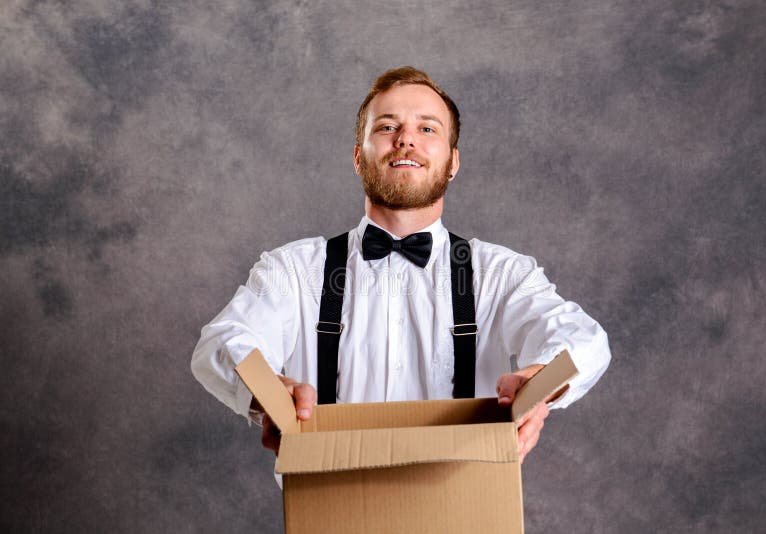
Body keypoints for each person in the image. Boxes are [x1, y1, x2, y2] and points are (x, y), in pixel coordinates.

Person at [191, 66, 611, 464]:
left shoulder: (502, 274)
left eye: (427, 129)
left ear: (453, 162)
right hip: (328, 504)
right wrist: (266, 393)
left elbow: (583, 340)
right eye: (387, 127)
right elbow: (222, 344)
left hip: (469, 502)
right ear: (359, 157)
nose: (406, 139)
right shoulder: (293, 270)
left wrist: (539, 382)